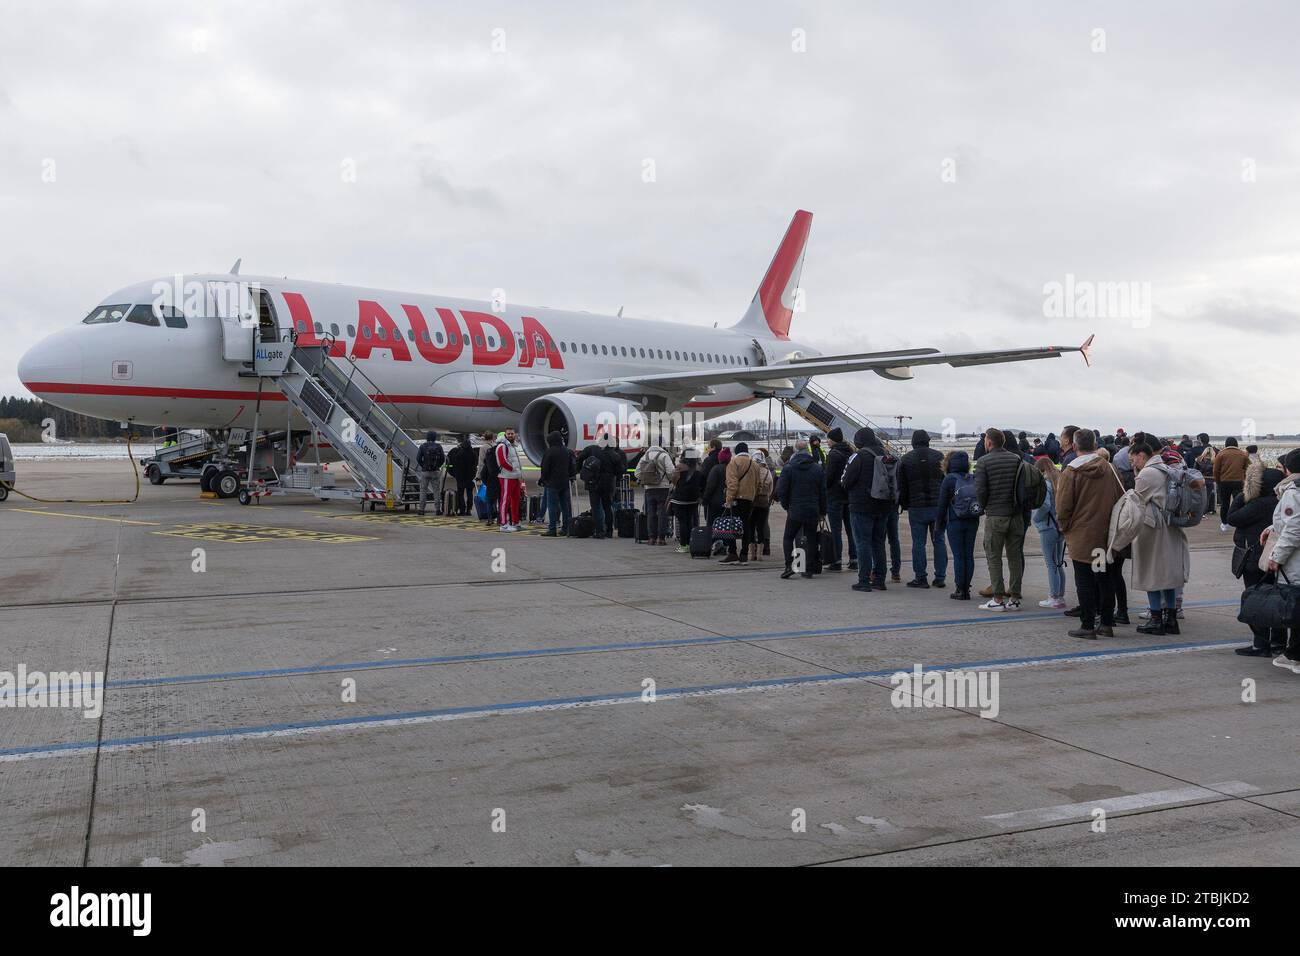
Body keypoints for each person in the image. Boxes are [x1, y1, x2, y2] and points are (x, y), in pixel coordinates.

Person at [1055, 429, 1124, 638]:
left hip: (1081, 534)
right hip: (1104, 533)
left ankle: (1087, 625)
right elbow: (1120, 497)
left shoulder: (1071, 471)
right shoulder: (1110, 469)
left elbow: (1063, 505)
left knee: (1084, 581)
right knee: (1104, 578)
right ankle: (1106, 623)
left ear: (1075, 446)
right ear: (1095, 444)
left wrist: (1064, 526)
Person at [1130, 442, 1192, 636]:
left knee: (1151, 574)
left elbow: (1136, 502)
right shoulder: (1166, 468)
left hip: (1153, 529)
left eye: (1133, 458)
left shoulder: (1147, 474)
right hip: (1170, 526)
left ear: (1141, 454)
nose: (1133, 462)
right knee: (1167, 577)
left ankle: (1156, 618)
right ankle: (1171, 619)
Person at [1227, 462, 1285, 656]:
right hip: (1275, 558)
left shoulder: (1258, 504)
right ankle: (1278, 642)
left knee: (1256, 599)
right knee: (1277, 599)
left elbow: (1232, 517)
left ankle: (1261, 644)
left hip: (1254, 558)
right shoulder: (1280, 502)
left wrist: (1242, 496)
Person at [975, 428, 1027, 611]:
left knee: (994, 556)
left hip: (996, 515)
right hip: (1016, 515)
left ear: (989, 442)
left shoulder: (983, 462)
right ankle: (1014, 597)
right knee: (1014, 557)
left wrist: (983, 506)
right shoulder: (1016, 459)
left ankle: (997, 599)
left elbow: (980, 490)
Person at [1262, 448, 1300, 673]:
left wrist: (1276, 556)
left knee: (1295, 608)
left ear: (1288, 469)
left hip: (1295, 561)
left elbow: (1294, 528)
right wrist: (1271, 528)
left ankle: (1294, 655)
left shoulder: (1293, 492)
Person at [841, 427, 892, 592]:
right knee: (878, 543)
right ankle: (880, 579)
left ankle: (863, 580)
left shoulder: (859, 456)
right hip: (883, 504)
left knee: (863, 543)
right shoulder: (886, 455)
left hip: (861, 505)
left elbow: (846, 480)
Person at [898, 429, 947, 589]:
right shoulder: (939, 456)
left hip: (916, 506)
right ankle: (940, 577)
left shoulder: (905, 459)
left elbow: (902, 486)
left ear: (913, 442)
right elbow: (944, 481)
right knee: (939, 541)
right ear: (927, 441)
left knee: (918, 543)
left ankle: (921, 577)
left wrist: (904, 504)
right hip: (937, 506)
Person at [777, 439, 827, 580]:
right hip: (812, 509)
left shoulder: (788, 468)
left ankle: (789, 566)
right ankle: (808, 569)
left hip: (795, 509)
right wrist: (822, 511)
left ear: (795, 450)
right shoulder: (817, 469)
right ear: (808, 450)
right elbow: (823, 493)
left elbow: (782, 490)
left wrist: (787, 506)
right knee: (811, 538)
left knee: (788, 537)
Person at [936, 450, 979, 600]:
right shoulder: (972, 478)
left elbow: (942, 505)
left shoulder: (949, 480)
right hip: (972, 520)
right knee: (969, 555)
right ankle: (967, 587)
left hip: (955, 521)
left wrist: (938, 526)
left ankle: (960, 589)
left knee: (959, 556)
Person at [1031, 457, 1067, 611]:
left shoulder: (1045, 484)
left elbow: (1044, 506)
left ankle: (1054, 597)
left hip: (1047, 527)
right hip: (1059, 526)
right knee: (1058, 563)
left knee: (1051, 563)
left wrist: (1035, 518)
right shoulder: (1060, 481)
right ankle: (1060, 595)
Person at [823, 427, 857, 572]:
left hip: (835, 497)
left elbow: (828, 478)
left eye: (828, 438)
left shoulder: (833, 455)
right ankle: (854, 559)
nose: (827, 441)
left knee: (836, 530)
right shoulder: (851, 453)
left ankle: (836, 561)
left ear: (833, 440)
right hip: (849, 497)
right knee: (851, 530)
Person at [722, 442, 760, 564]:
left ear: (736, 451)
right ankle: (744, 555)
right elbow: (758, 484)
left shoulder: (733, 463)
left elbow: (732, 484)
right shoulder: (754, 464)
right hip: (749, 499)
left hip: (736, 499)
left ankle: (732, 553)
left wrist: (729, 500)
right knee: (746, 526)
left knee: (730, 525)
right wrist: (753, 496)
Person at [636, 441, 675, 545]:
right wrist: (669, 480)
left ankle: (651, 538)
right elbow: (671, 471)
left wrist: (645, 481)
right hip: (663, 488)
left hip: (649, 488)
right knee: (662, 512)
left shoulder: (645, 456)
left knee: (651, 513)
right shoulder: (664, 455)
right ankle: (661, 538)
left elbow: (637, 473)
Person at [538, 430, 575, 536]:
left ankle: (552, 529)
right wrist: (570, 477)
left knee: (552, 506)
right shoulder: (567, 451)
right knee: (565, 506)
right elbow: (572, 467)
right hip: (565, 482)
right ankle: (566, 528)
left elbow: (544, 468)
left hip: (552, 483)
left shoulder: (549, 452)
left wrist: (543, 480)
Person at [670, 447, 705, 552]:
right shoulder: (699, 468)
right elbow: (702, 483)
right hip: (693, 499)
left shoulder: (679, 467)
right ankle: (690, 544)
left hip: (680, 499)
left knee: (682, 522)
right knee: (689, 521)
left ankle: (683, 546)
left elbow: (674, 481)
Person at [577, 440, 614, 539]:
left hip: (593, 483)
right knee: (607, 507)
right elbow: (620, 469)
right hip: (607, 484)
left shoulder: (591, 449)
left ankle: (599, 531)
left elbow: (579, 458)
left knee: (596, 508)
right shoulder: (612, 453)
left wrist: (580, 471)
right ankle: (609, 531)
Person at [1212, 436, 1249, 531]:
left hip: (1224, 482)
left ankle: (1224, 523)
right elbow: (1247, 468)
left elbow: (1216, 470)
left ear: (1226, 444)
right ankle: (1239, 521)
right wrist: (1244, 478)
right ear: (1236, 444)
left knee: (1225, 503)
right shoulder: (1243, 454)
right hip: (1239, 482)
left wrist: (1217, 481)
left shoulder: (1221, 454)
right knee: (1239, 502)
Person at [493, 428, 525, 532]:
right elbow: (503, 461)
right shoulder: (502, 446)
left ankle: (515, 522)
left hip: (515, 476)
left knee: (516, 500)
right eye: (509, 433)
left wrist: (518, 473)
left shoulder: (512, 445)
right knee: (505, 500)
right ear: (505, 434)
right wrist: (513, 469)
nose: (511, 435)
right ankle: (503, 524)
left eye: (512, 433)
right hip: (507, 476)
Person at [747, 450, 775, 561]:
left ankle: (751, 553)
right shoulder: (767, 472)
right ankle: (760, 554)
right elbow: (771, 488)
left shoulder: (751, 471)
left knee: (751, 526)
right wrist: (767, 497)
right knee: (761, 527)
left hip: (752, 501)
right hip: (763, 502)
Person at [703, 447, 731, 550]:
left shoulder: (716, 469)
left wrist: (705, 499)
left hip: (715, 502)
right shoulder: (731, 468)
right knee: (726, 523)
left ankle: (713, 543)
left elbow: (710, 486)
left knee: (712, 523)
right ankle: (726, 544)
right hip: (728, 501)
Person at [414, 430, 445, 517]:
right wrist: (437, 466)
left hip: (425, 472)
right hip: (435, 472)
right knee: (436, 491)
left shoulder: (423, 446)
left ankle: (421, 510)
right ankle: (438, 510)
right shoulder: (438, 446)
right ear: (435, 437)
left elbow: (418, 458)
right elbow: (442, 458)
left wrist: (423, 466)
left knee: (423, 491)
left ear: (427, 437)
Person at [447, 434, 478, 515]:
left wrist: (454, 474)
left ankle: (462, 510)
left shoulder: (459, 454)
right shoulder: (474, 454)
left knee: (460, 494)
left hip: (460, 477)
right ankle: (469, 510)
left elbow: (454, 464)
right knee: (469, 493)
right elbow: (475, 465)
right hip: (470, 477)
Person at [478, 431, 500, 524]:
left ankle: (490, 518)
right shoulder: (496, 447)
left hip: (489, 478)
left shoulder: (483, 448)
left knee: (489, 499)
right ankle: (499, 518)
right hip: (499, 477)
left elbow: (481, 463)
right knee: (498, 499)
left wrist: (479, 476)